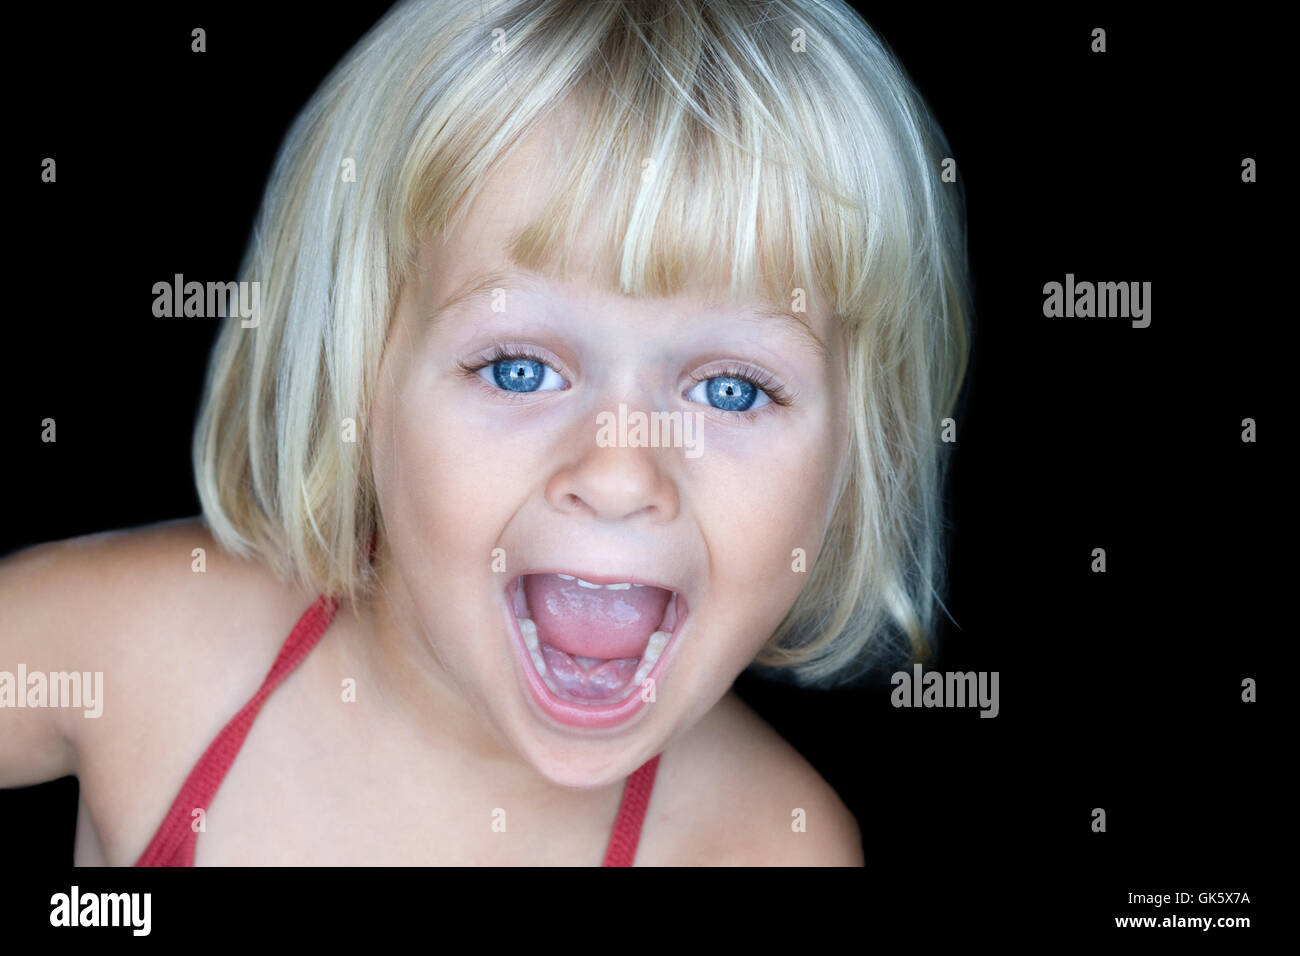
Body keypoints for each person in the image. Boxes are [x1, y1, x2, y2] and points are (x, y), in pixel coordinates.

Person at [0, 0, 969, 865]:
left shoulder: (766, 844)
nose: (622, 470)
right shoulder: (130, 644)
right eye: (518, 369)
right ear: (357, 374)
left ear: (859, 450)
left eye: (731, 389)